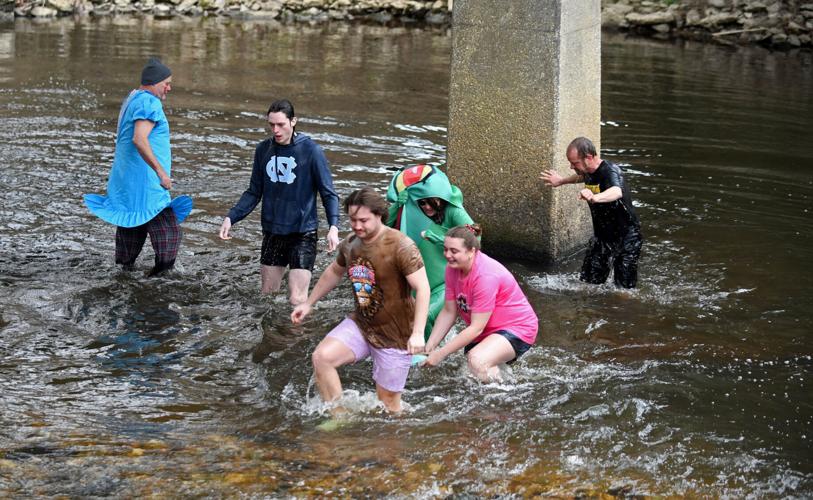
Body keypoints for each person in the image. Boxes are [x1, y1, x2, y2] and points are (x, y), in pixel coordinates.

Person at [291, 187, 430, 413]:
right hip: (362, 324)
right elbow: (334, 272)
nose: (357, 226)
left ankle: (395, 442)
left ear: (379, 215)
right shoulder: (350, 244)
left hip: (396, 334)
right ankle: (340, 418)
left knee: (389, 405)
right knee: (322, 358)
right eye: (353, 220)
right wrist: (308, 303)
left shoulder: (401, 245)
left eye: (363, 220)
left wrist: (418, 333)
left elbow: (423, 288)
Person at [219, 99, 340, 305]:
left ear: (293, 121)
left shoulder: (311, 151)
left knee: (297, 299)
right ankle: (272, 336)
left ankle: (296, 335)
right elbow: (254, 192)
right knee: (267, 295)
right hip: (273, 232)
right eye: (271, 125)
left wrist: (333, 227)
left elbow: (328, 193)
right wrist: (231, 217)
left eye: (281, 124)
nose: (276, 130)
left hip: (303, 233)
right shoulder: (263, 150)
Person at [84, 57, 192, 276]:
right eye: (166, 83)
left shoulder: (132, 99)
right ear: (154, 82)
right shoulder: (149, 102)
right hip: (148, 188)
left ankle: (127, 283)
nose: (169, 88)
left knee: (126, 255)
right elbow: (139, 139)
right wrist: (161, 172)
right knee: (169, 244)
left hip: (127, 186)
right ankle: (156, 285)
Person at [423, 224, 538, 382]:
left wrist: (440, 354)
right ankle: (501, 380)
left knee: (477, 360)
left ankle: (504, 396)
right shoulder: (452, 269)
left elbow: (476, 328)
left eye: (454, 251)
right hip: (487, 330)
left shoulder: (485, 275)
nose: (447, 255)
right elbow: (449, 311)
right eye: (445, 249)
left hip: (518, 328)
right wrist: (430, 346)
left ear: (471, 251)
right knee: (470, 372)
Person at [386, 163, 474, 340]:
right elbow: (381, 229)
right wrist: (397, 206)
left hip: (446, 283)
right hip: (416, 280)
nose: (426, 206)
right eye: (421, 202)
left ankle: (426, 357)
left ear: (441, 197)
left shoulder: (454, 211)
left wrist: (442, 240)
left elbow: (477, 236)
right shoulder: (411, 208)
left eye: (430, 201)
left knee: (423, 317)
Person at [540, 137, 642, 288]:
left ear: (588, 157)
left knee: (623, 289)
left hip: (627, 237)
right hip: (602, 237)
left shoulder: (610, 171)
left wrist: (595, 197)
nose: (571, 166)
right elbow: (582, 177)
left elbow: (616, 191)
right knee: (588, 283)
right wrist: (561, 181)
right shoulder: (588, 171)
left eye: (574, 163)